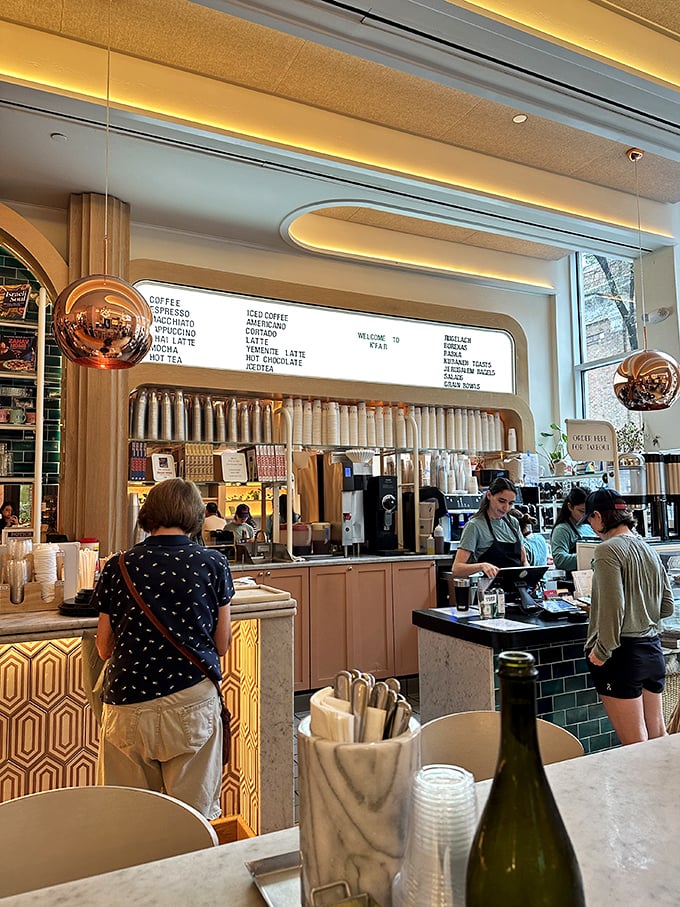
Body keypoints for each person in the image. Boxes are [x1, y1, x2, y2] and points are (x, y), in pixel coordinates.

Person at [94, 478, 234, 819]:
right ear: (196, 515)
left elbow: (103, 647)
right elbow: (222, 644)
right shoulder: (213, 563)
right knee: (193, 820)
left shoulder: (119, 565)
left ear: (148, 514)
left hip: (128, 704)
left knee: (129, 822)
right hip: (191, 702)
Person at [584, 488, 674, 745]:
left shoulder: (607, 550)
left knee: (635, 747)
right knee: (657, 739)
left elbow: (614, 608)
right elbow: (666, 607)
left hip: (621, 655)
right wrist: (641, 609)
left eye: (590, 520)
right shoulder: (650, 550)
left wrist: (601, 651)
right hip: (652, 651)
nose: (591, 527)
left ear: (599, 516)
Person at [453, 476, 527, 578]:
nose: (506, 508)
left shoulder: (513, 523)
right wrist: (481, 566)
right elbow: (457, 569)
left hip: (517, 589)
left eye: (510, 503)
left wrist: (529, 576)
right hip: (490, 591)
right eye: (501, 501)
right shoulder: (474, 526)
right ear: (489, 495)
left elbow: (524, 561)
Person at [550, 486, 596, 575]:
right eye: (582, 511)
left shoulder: (588, 527)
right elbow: (560, 560)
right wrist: (590, 556)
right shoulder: (562, 530)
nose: (585, 515)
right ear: (570, 507)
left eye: (588, 512)